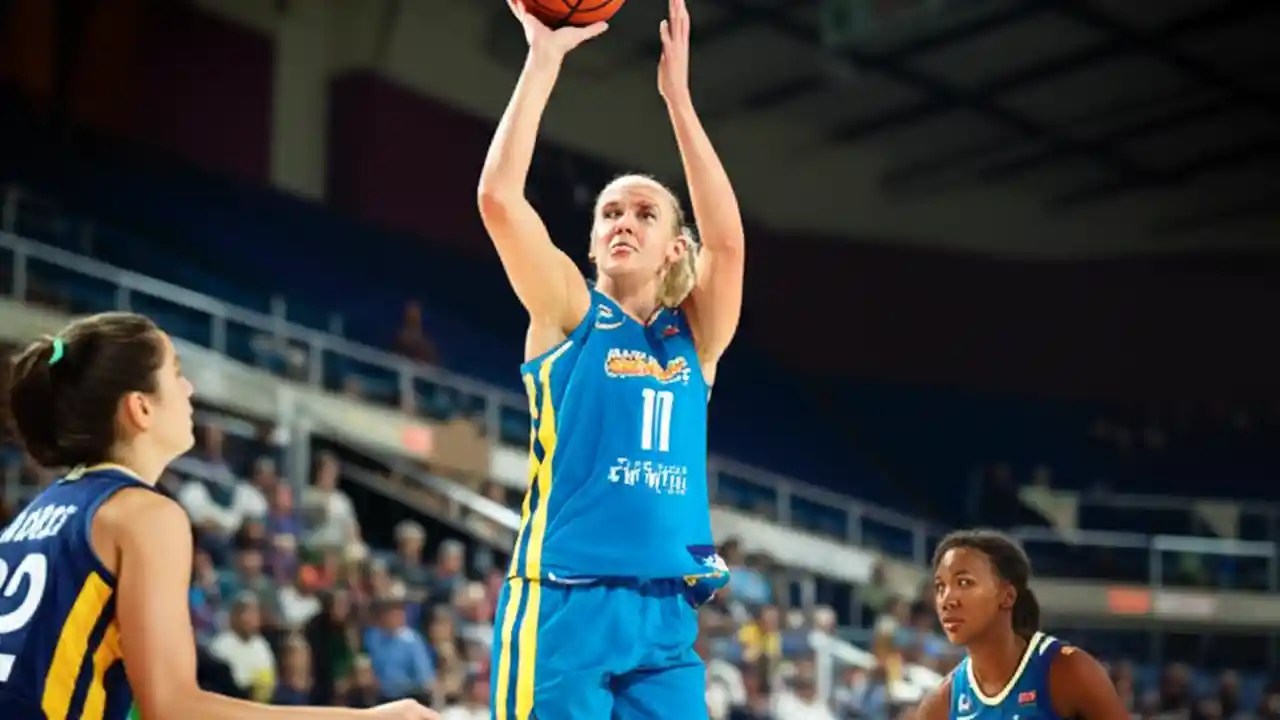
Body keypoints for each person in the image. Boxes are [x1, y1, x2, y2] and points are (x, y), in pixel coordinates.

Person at [476, 0, 746, 716]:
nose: (623, 221)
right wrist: (542, 60)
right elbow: (498, 199)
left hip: (665, 616)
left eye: (645, 214)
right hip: (567, 602)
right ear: (593, 243)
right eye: (610, 214)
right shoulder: (569, 312)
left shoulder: (696, 340)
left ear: (675, 248)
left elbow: (728, 244)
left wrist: (679, 103)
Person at [0, 312, 437, 719]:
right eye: (176, 373)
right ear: (141, 408)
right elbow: (173, 708)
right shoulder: (143, 514)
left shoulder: (36, 513)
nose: (189, 389)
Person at [915, 529, 1129, 720]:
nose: (947, 600)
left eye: (964, 582)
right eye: (940, 586)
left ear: (1007, 596)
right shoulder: (940, 704)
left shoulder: (1068, 670)